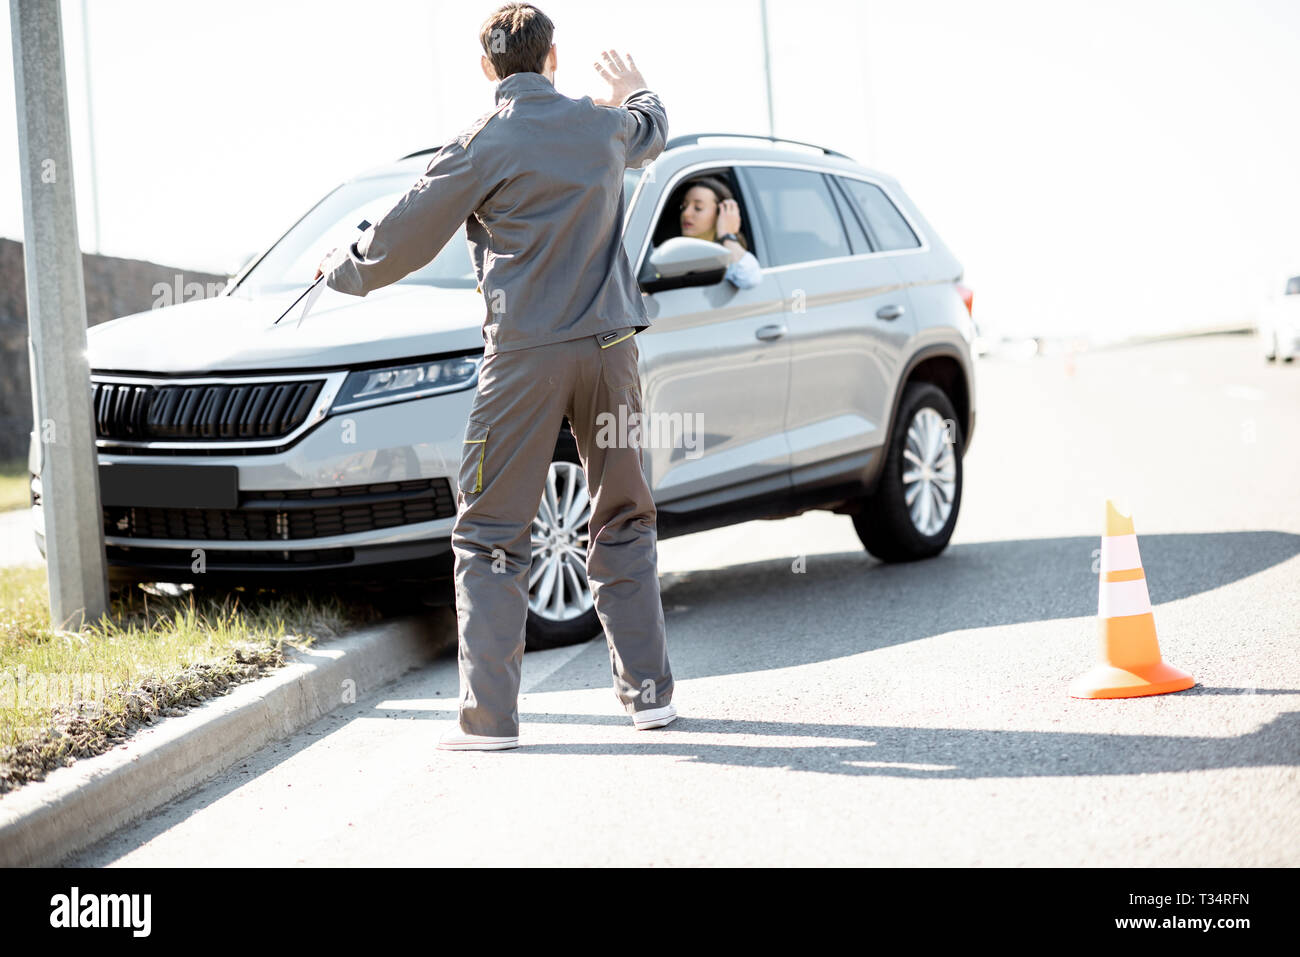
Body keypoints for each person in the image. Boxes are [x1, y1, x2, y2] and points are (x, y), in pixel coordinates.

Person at [314, 3, 676, 751]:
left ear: (488, 69)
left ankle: (490, 721)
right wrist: (635, 87)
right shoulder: (601, 126)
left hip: (523, 361)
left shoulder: (481, 140)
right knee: (624, 516)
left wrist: (341, 271)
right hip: (611, 352)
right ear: (553, 58)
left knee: (487, 534)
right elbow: (651, 126)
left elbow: (403, 237)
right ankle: (649, 697)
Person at [674, 177, 762, 289]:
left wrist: (727, 235)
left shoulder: (731, 258)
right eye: (684, 206)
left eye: (698, 208)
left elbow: (750, 278)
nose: (686, 213)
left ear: (721, 214)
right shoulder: (675, 251)